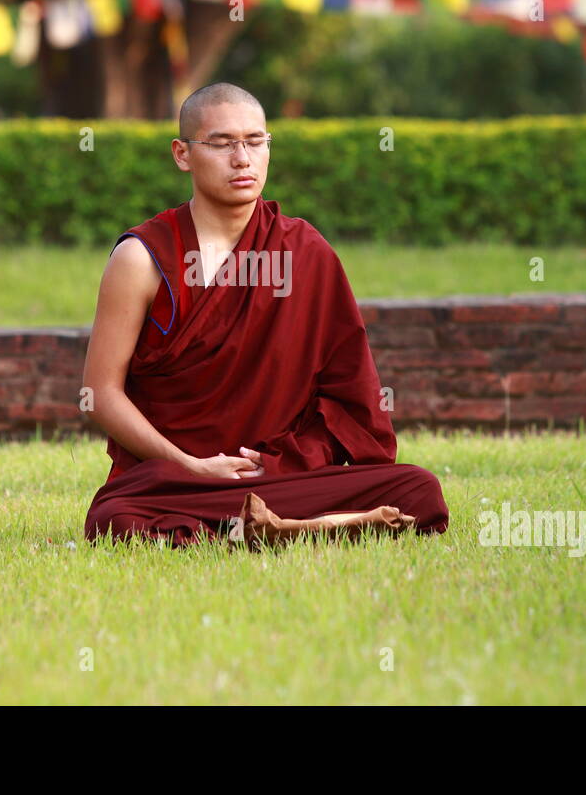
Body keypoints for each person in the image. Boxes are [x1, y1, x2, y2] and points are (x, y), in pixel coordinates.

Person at [81, 82, 449, 548]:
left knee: (418, 489)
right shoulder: (143, 258)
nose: (242, 159)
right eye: (221, 143)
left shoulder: (305, 252)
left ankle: (276, 527)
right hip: (179, 483)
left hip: (280, 475)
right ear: (182, 153)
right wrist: (190, 466)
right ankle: (313, 528)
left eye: (256, 142)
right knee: (117, 518)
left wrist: (284, 462)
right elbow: (100, 393)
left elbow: (347, 396)